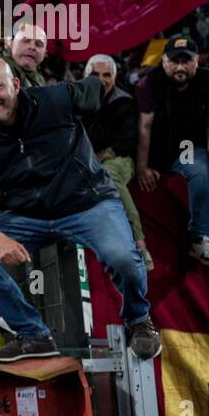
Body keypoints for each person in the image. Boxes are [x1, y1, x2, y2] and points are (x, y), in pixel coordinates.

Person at [0, 57, 159, 361]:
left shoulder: (56, 98)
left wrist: (95, 140)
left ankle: (139, 320)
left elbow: (95, 86)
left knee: (122, 257)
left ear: (16, 85)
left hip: (88, 203)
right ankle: (33, 334)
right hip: (28, 216)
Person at [134, 34, 209, 267]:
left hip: (188, 147)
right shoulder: (149, 83)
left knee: (201, 168)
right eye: (175, 61)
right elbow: (145, 126)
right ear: (164, 61)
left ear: (197, 61)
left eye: (186, 61)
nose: (180, 67)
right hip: (158, 148)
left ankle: (200, 238)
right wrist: (143, 166)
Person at [84, 54, 152, 270]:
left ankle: (139, 243)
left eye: (107, 75)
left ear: (114, 77)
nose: (101, 80)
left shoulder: (124, 101)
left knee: (107, 175)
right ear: (85, 75)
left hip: (119, 160)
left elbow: (124, 143)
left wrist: (93, 159)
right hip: (86, 161)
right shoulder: (75, 99)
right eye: (95, 74)